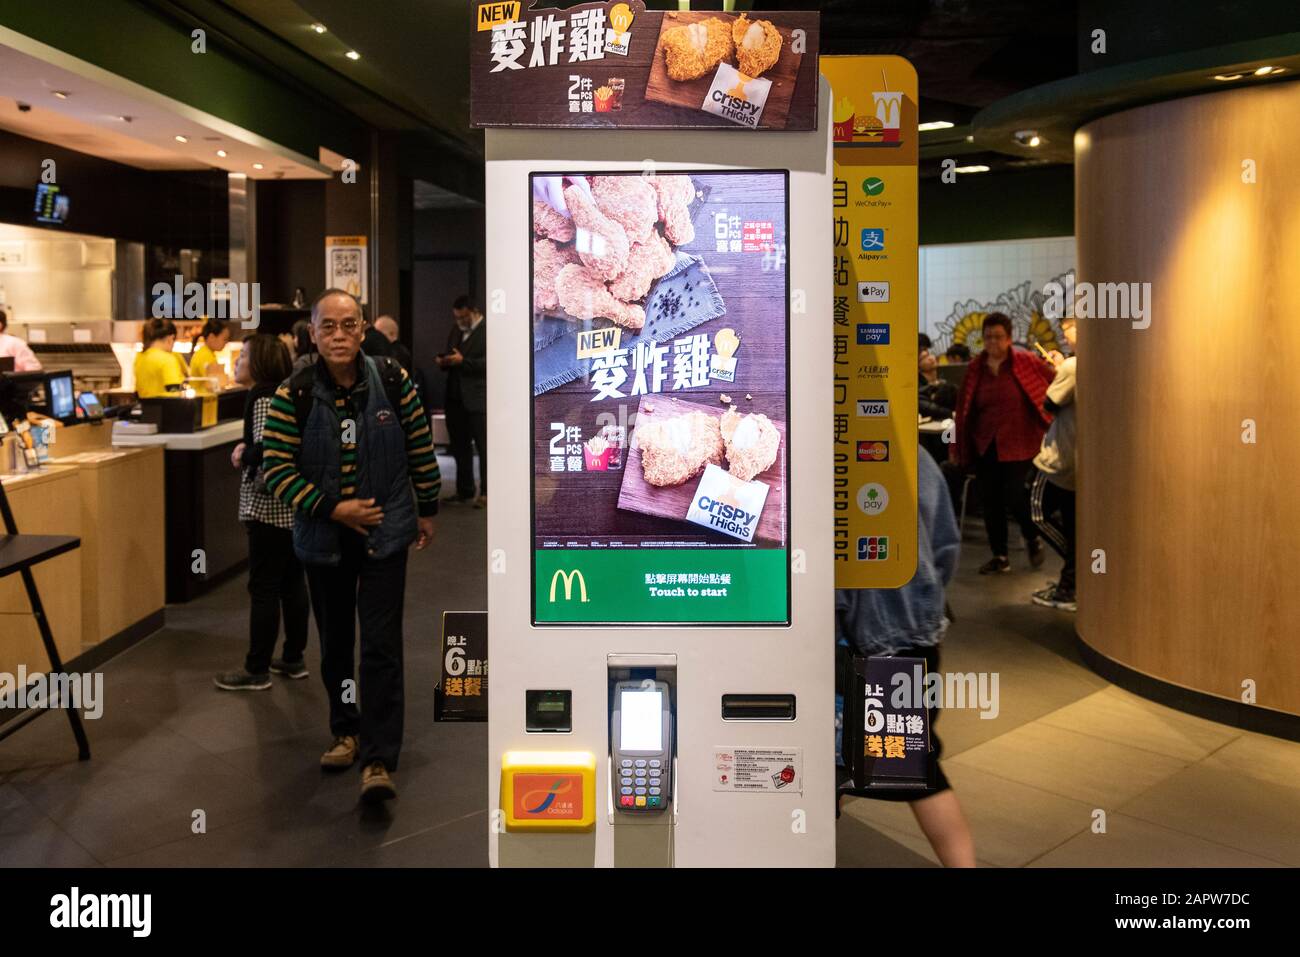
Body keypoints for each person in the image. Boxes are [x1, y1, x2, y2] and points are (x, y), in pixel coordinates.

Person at [261, 289, 440, 804]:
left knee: (381, 646)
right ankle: (346, 729)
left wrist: (427, 507)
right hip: (323, 537)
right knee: (336, 643)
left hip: (387, 532)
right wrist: (333, 507)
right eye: (328, 327)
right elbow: (276, 468)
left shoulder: (391, 379)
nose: (339, 335)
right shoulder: (291, 394)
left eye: (348, 325)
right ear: (312, 333)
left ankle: (379, 756)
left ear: (362, 330)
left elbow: (419, 446)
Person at [836, 447, 976, 867]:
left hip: (857, 639)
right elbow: (945, 545)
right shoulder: (914, 455)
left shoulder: (824, 451)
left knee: (907, 767)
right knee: (911, 763)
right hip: (913, 630)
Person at [214, 335, 310, 691]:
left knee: (265, 585)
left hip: (269, 506)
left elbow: (269, 448)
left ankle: (256, 669)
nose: (237, 362)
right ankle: (293, 657)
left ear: (259, 363)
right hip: (292, 506)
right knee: (292, 582)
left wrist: (244, 455)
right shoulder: (287, 392)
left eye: (243, 356)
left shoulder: (261, 397)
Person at [952, 312, 1056, 575]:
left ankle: (1032, 537)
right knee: (991, 502)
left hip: (1021, 442)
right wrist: (957, 445)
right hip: (986, 444)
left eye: (998, 337)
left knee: (1015, 496)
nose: (992, 343)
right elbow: (963, 409)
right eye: (987, 337)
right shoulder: (976, 368)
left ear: (1009, 338)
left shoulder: (1025, 361)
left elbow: (1053, 382)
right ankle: (1000, 556)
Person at [1029, 316, 1078, 611]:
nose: (1064, 334)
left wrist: (1057, 371)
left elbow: (1049, 405)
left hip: (1059, 458)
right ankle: (1071, 581)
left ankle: (1077, 567)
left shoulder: (1071, 368)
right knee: (1074, 523)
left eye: (1068, 328)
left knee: (1036, 513)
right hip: (1082, 461)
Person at [437, 295, 487, 507]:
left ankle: (486, 492)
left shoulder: (488, 330)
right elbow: (452, 353)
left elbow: (491, 361)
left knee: (484, 448)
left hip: (477, 398)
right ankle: (464, 489)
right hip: (455, 397)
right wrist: (445, 361)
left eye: (463, 316)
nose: (460, 321)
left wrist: (463, 362)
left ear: (474, 311)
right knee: (459, 446)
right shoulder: (456, 330)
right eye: (457, 317)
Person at [134, 318, 186, 398]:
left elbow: (137, 392)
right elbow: (174, 391)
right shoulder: (168, 359)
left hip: (146, 409)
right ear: (170, 338)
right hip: (166, 409)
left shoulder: (139, 358)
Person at [918, 343, 957, 419]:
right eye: (924, 357)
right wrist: (951, 414)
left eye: (929, 354)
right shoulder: (919, 388)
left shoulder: (943, 381)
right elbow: (929, 408)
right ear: (917, 366)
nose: (930, 358)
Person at [189, 319, 231, 389]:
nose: (226, 343)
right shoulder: (205, 355)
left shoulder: (206, 353)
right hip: (204, 398)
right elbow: (215, 385)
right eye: (225, 339)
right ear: (211, 337)